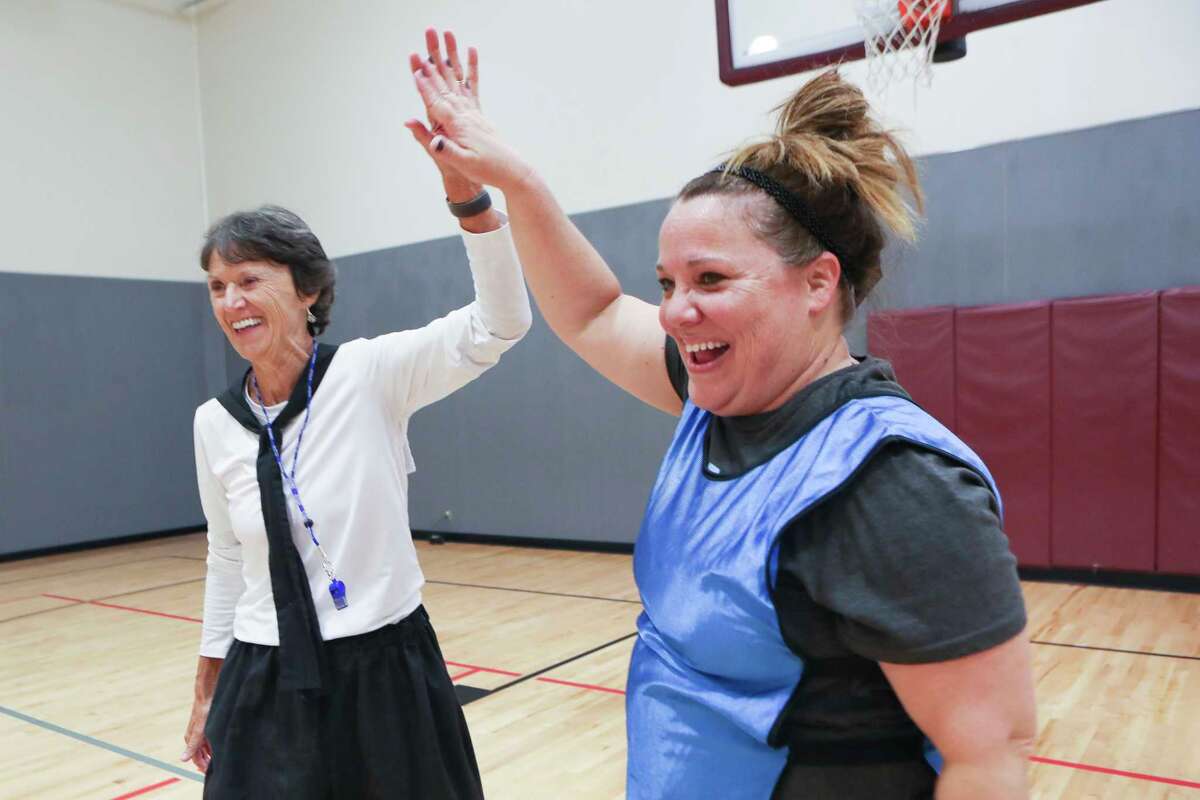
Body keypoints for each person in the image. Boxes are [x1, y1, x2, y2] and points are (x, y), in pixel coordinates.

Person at [408, 33, 1036, 800]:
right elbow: (595, 311)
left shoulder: (896, 485)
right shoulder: (723, 399)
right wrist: (511, 180)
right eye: (668, 282)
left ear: (816, 283)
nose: (675, 311)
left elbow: (989, 756)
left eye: (711, 278)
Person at [182, 32, 530, 799]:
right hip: (264, 670)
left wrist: (468, 195)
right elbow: (227, 563)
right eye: (216, 286)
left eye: (250, 279)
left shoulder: (370, 375)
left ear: (307, 289)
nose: (232, 302)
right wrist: (209, 685)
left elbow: (500, 323)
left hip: (383, 669)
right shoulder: (216, 423)